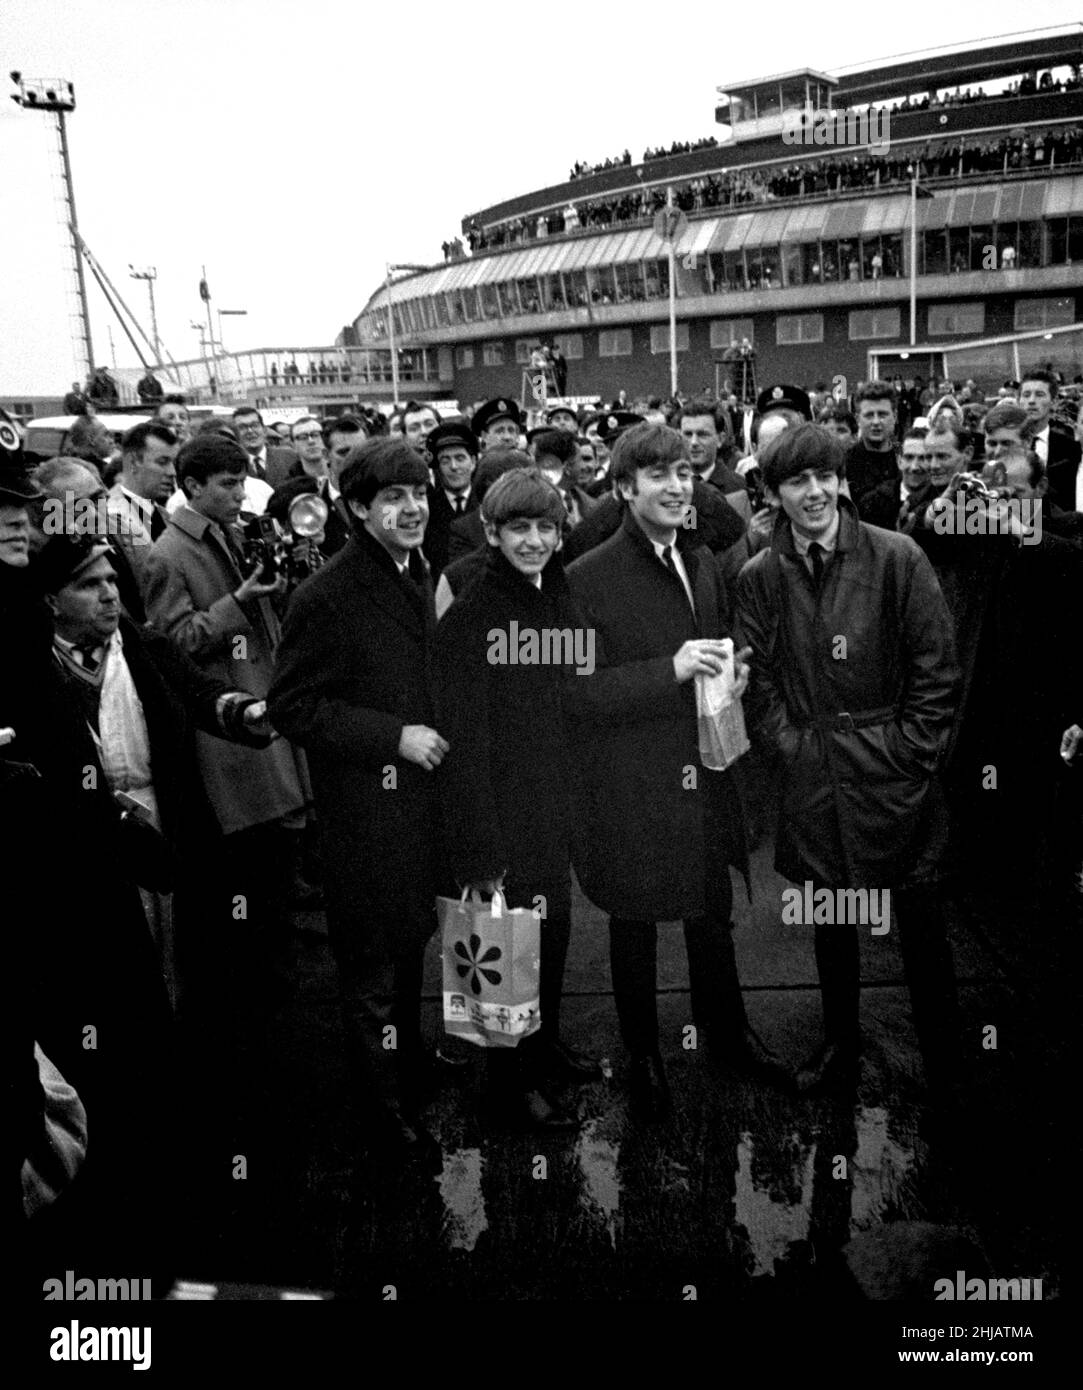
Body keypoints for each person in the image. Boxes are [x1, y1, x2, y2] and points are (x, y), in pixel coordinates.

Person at [566, 422, 788, 1119]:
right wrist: (668, 671)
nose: (674, 486)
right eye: (656, 476)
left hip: (703, 770)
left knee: (709, 914)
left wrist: (733, 671)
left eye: (683, 474)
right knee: (634, 923)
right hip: (631, 784)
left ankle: (729, 1036)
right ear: (625, 487)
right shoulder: (583, 576)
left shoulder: (699, 562)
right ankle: (643, 1058)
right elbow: (573, 693)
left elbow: (713, 653)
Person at [736, 423, 960, 1094]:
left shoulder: (896, 557)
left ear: (841, 479)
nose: (814, 492)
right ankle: (839, 1045)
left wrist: (909, 753)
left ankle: (946, 1055)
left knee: (919, 921)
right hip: (815, 774)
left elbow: (935, 669)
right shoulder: (761, 573)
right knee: (831, 923)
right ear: (772, 493)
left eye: (824, 476)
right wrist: (794, 749)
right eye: (796, 481)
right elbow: (758, 678)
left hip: (894, 774)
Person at [268, 438, 452, 1167]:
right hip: (366, 818)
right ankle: (383, 1119)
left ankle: (404, 1075)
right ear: (355, 510)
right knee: (372, 976)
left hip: (417, 813)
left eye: (420, 493)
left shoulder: (416, 570)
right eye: (393, 499)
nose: (412, 509)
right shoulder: (329, 594)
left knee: (409, 954)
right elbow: (291, 705)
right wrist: (391, 736)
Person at [434, 469, 600, 1129]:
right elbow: (462, 744)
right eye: (518, 529)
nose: (533, 540)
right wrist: (478, 850)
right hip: (501, 817)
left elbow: (576, 679)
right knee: (503, 955)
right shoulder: (472, 612)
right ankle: (507, 1084)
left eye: (545, 528)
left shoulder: (556, 590)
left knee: (550, 936)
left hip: (552, 805)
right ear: (492, 534)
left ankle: (545, 1045)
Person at [423, 421, 479, 578]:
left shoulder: (488, 503)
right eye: (445, 460)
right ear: (438, 467)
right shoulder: (426, 508)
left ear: (473, 462)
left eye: (460, 458)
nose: (454, 466)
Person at [846, 382, 899, 505]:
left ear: (895, 417)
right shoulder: (844, 464)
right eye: (869, 415)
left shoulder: (907, 459)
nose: (876, 422)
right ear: (858, 419)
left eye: (882, 415)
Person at [232, 407, 299, 487]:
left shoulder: (289, 457)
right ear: (235, 433)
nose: (250, 431)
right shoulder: (232, 464)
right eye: (242, 427)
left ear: (264, 430)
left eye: (254, 425)